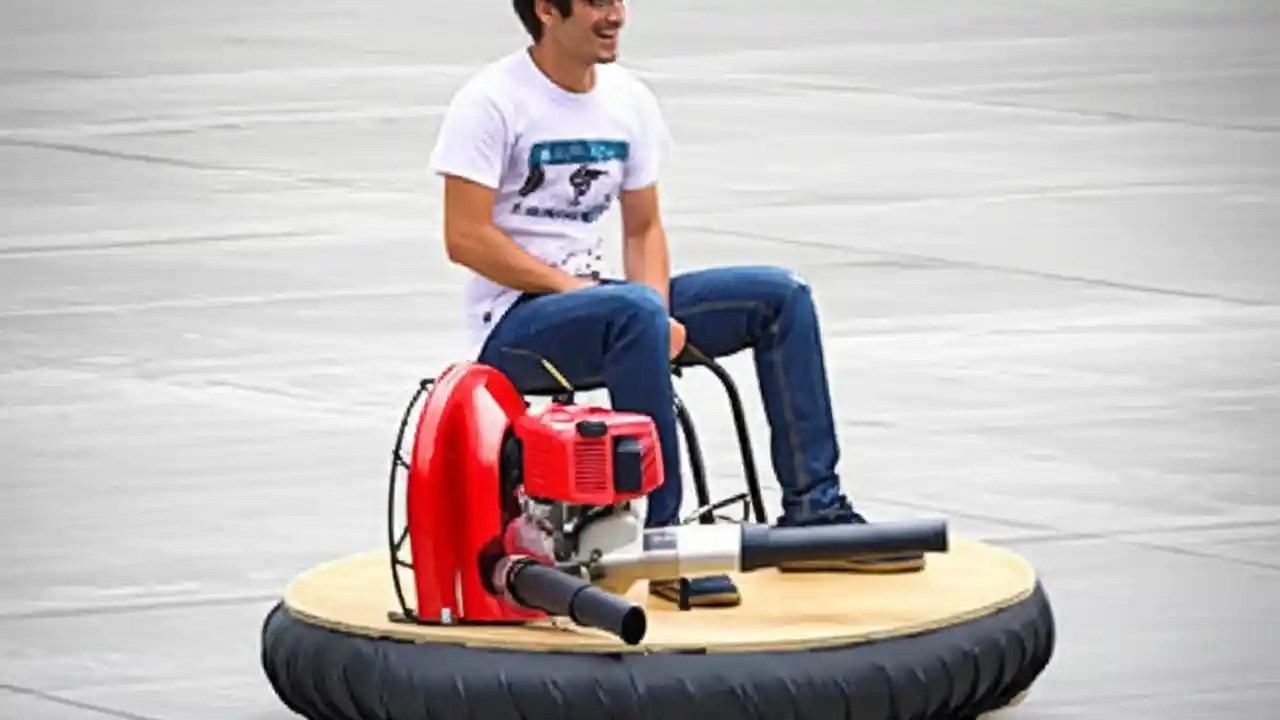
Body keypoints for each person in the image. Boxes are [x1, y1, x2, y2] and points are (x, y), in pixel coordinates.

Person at [428, 0, 923, 607]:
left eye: (618, 0)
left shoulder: (628, 99)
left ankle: (815, 514)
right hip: (516, 322)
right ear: (547, 10)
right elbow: (465, 237)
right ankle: (664, 542)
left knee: (780, 297)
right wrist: (594, 297)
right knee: (633, 311)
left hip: (611, 302)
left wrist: (655, 313)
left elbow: (643, 228)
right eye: (597, 2)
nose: (616, 15)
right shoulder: (491, 101)